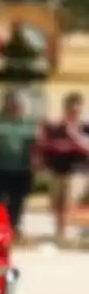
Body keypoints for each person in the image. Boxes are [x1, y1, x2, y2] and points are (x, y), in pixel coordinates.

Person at [0, 90, 39, 237]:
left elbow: (37, 146)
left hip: (22, 169)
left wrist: (37, 165)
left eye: (19, 104)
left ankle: (13, 229)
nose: (15, 107)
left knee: (17, 201)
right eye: (12, 103)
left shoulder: (30, 123)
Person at [37, 92, 89, 245]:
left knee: (68, 201)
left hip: (75, 171)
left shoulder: (84, 127)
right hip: (55, 170)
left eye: (76, 108)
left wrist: (73, 135)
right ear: (65, 108)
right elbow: (45, 145)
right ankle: (59, 230)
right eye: (70, 107)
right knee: (55, 202)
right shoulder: (55, 127)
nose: (73, 111)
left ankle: (64, 232)